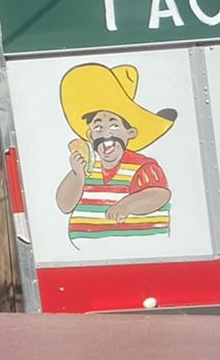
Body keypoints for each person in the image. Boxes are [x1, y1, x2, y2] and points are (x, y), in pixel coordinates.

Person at [53, 63, 178, 244]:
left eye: (114, 126)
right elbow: (64, 205)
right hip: (87, 252)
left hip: (140, 247)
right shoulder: (86, 166)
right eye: (98, 127)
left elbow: (159, 194)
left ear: (130, 133)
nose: (106, 133)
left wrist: (127, 204)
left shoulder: (143, 166)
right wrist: (78, 175)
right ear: (90, 135)